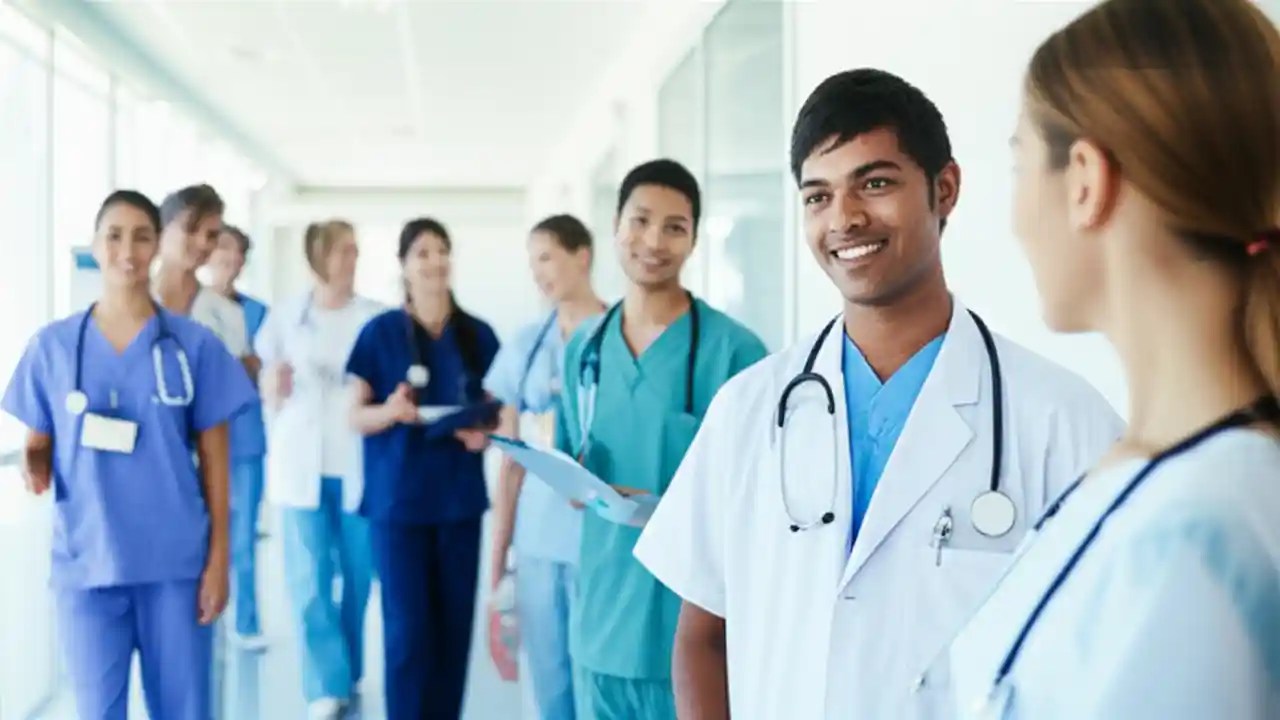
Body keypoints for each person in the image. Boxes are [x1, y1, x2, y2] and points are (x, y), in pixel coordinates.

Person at [631, 69, 1126, 719]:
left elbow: (1110, 656)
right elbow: (703, 638)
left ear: (944, 189)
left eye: (876, 182)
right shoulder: (748, 410)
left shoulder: (1063, 420)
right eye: (817, 196)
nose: (845, 218)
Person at [937, 1, 1280, 717]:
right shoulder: (1155, 479)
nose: (1014, 214)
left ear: (1086, 180)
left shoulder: (1199, 537)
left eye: (1019, 162)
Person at [1, 190, 255, 719]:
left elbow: (216, 463)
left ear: (158, 244)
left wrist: (218, 563)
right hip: (88, 565)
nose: (128, 249)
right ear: (96, 245)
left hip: (175, 566)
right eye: (113, 235)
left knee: (182, 711)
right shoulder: (52, 347)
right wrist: (35, 460)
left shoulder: (193, 346)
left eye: (142, 235)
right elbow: (38, 440)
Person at [555, 159, 768, 719]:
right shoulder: (586, 350)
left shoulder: (737, 355)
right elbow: (573, 467)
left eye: (675, 226)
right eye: (641, 220)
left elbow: (761, 500)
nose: (654, 240)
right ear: (616, 226)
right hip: (602, 622)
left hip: (692, 635)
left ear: (694, 239)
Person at [346, 217, 501, 720]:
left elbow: (498, 413)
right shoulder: (379, 334)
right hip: (399, 507)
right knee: (408, 633)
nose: (434, 261)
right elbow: (355, 416)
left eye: (441, 250)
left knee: (454, 633)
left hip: (457, 505)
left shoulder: (478, 336)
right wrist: (391, 411)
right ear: (404, 266)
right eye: (422, 253)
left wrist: (485, 434)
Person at [256, 221, 382, 720]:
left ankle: (347, 668)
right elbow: (268, 388)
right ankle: (323, 684)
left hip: (356, 465)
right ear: (319, 258)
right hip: (299, 466)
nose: (353, 258)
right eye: (344, 250)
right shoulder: (286, 317)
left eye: (355, 249)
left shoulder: (375, 318)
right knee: (308, 580)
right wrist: (275, 385)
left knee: (357, 576)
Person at [484, 214, 607, 719]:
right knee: (549, 680)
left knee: (596, 677)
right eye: (532, 261)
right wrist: (499, 554)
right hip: (537, 541)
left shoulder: (620, 334)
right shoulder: (526, 344)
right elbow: (511, 460)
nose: (538, 272)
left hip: (599, 539)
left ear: (583, 256)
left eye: (547, 257)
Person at [204, 224, 271, 650]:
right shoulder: (189, 306)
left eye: (237, 253)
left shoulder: (259, 313)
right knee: (204, 532)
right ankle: (207, 617)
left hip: (245, 437)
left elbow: (257, 367)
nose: (229, 259)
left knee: (243, 534)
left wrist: (241, 365)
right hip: (200, 439)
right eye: (222, 250)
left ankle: (246, 623)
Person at [152, 185, 255, 375]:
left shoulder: (228, 314)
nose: (202, 243)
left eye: (212, 235)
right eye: (191, 229)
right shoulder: (131, 303)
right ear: (160, 230)